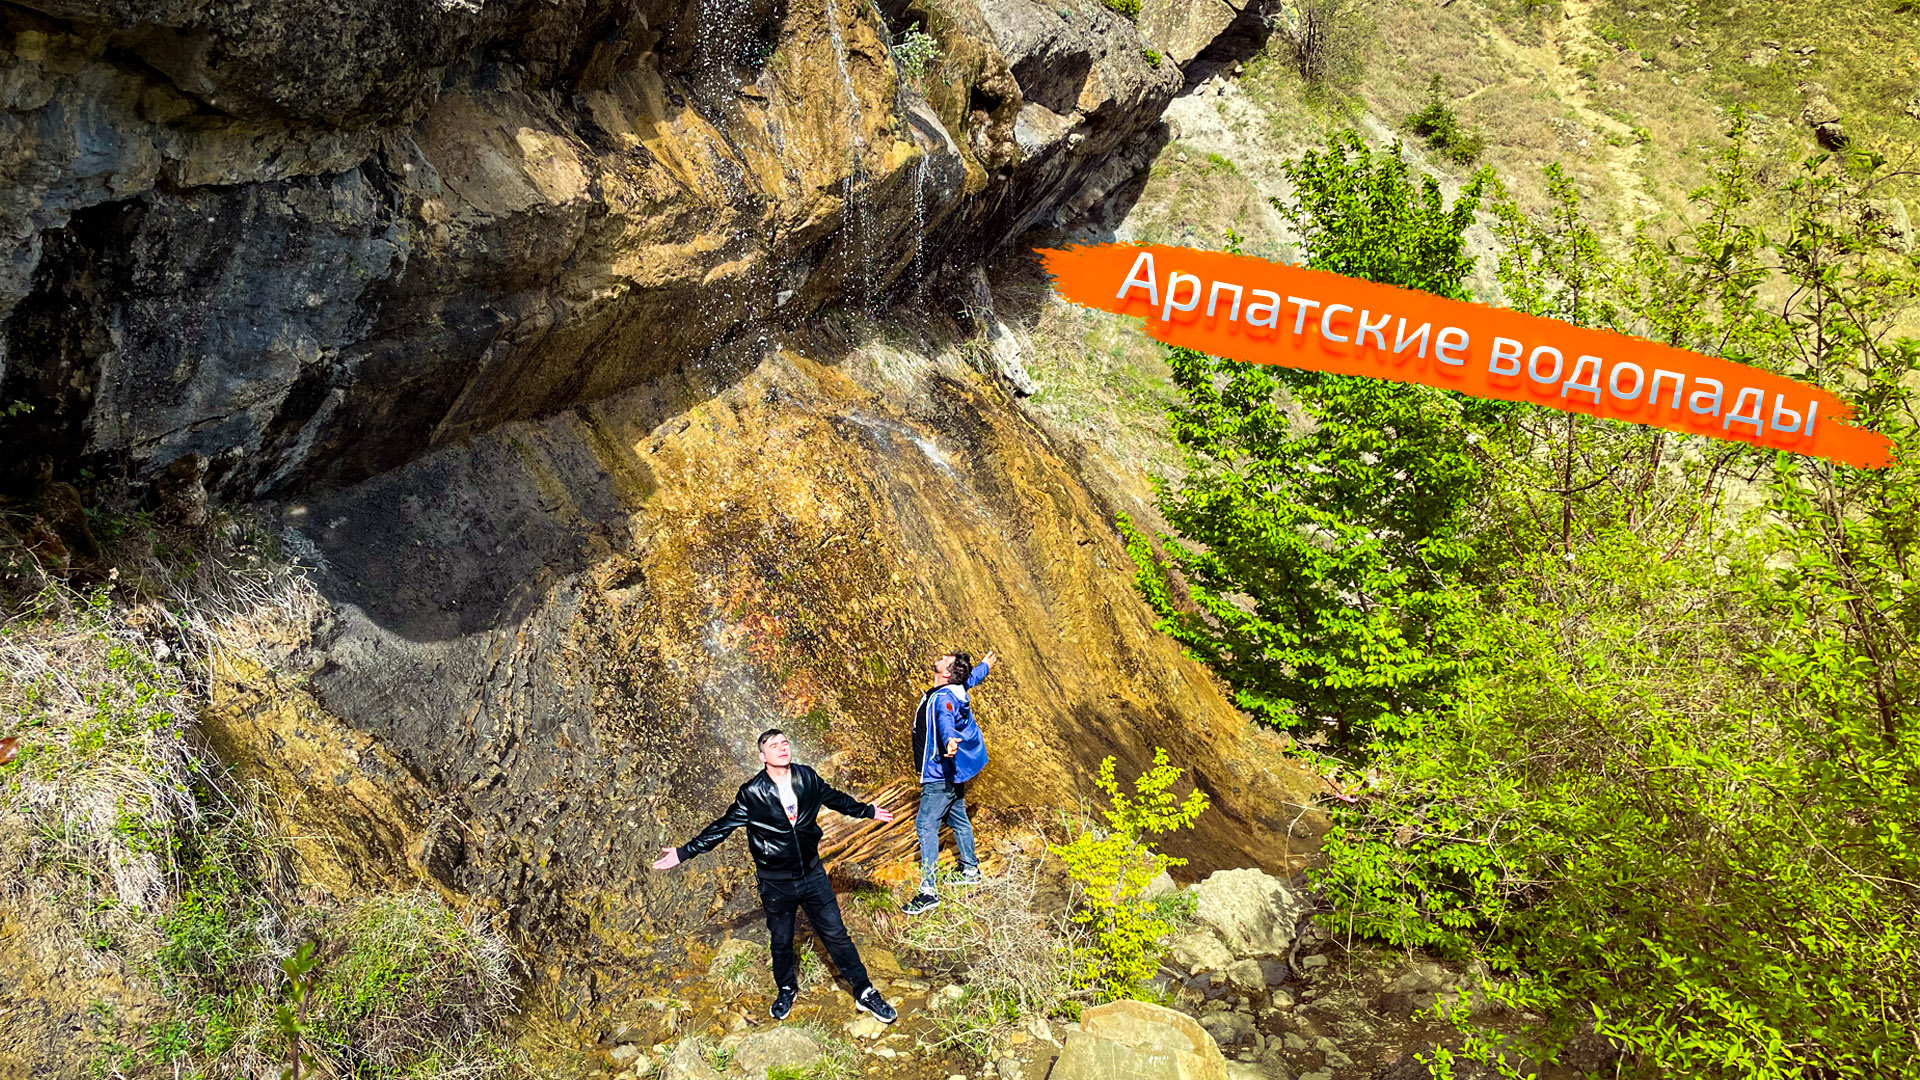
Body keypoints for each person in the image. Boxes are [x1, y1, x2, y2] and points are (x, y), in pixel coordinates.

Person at [652, 729, 899, 1023]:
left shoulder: (806, 777)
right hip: (776, 883)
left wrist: (866, 810)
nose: (782, 748)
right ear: (762, 757)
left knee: (836, 935)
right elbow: (722, 827)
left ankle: (864, 991)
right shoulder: (752, 793)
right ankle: (786, 988)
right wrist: (684, 852)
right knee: (781, 941)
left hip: (812, 874)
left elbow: (834, 798)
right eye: (773, 745)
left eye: (784, 743)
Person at [902, 649, 995, 915]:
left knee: (925, 824)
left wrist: (950, 740)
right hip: (952, 771)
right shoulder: (955, 687)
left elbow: (944, 721)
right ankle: (969, 869)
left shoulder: (943, 699)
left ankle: (928, 891)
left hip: (938, 773)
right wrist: (984, 666)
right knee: (957, 817)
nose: (942, 656)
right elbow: (971, 678)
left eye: (946, 659)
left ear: (945, 672)